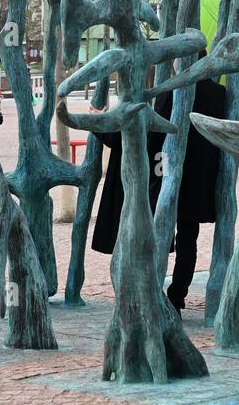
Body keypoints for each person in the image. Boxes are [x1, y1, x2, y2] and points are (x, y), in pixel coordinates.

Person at [89, 79, 228, 314]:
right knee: (188, 238)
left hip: (165, 175)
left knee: (155, 235)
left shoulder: (172, 90)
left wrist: (102, 124)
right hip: (199, 178)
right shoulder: (219, 92)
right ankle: (177, 296)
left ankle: (151, 294)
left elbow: (151, 136)